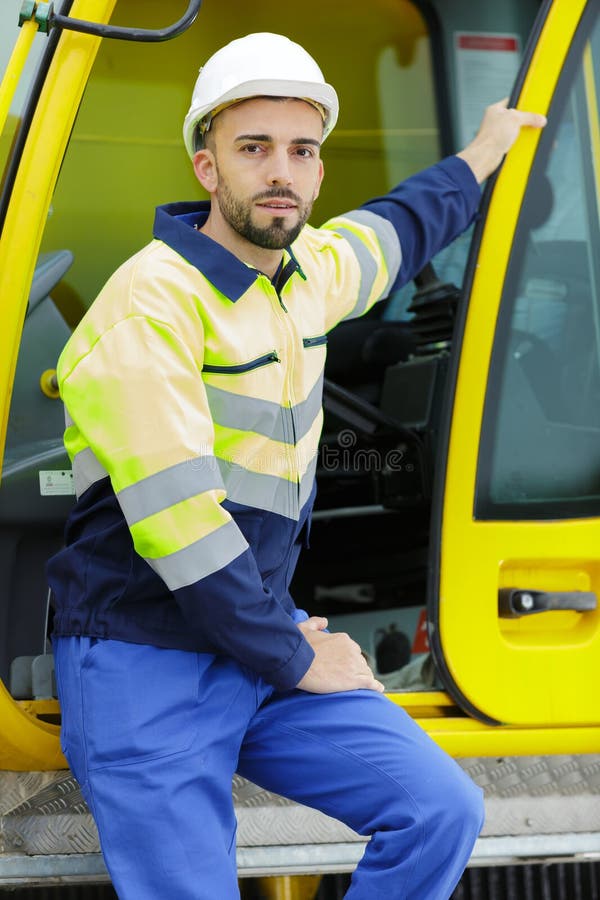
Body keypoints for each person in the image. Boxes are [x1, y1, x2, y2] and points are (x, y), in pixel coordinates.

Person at [47, 32, 546, 900]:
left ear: (317, 173)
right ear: (208, 168)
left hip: (253, 644)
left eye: (301, 151)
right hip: (144, 656)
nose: (281, 170)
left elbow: (402, 224)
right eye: (253, 148)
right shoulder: (150, 304)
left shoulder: (310, 272)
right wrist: (289, 650)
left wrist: (484, 151)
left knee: (440, 810)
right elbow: (184, 526)